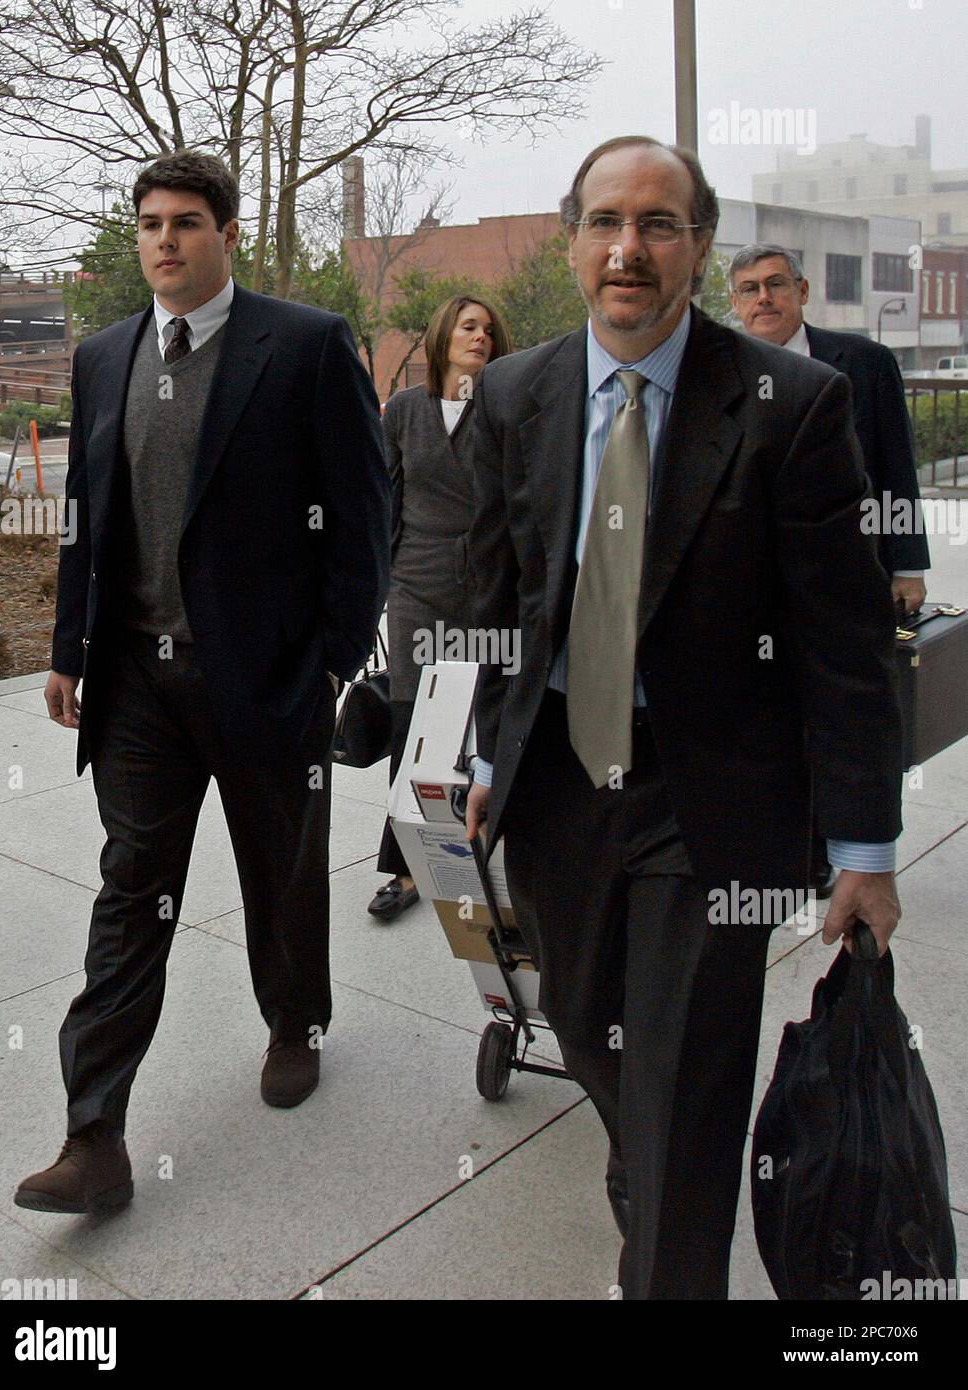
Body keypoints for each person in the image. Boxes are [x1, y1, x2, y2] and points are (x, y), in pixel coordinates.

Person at [465, 135, 903, 1300]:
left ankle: (668, 1267)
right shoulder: (518, 393)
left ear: (696, 247)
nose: (628, 249)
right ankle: (653, 1209)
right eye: (606, 222)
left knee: (681, 1083)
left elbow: (847, 646)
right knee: (591, 1031)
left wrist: (864, 848)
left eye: (658, 224)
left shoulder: (792, 405)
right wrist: (475, 748)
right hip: (557, 781)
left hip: (708, 800)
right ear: (570, 242)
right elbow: (502, 591)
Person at [15, 151, 390, 1216]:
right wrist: (69, 644)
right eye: (148, 223)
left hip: (266, 678)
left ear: (227, 234)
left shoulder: (306, 347)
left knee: (282, 868)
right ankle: (95, 1136)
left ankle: (293, 1022)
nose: (164, 240)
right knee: (132, 890)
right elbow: (90, 512)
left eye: (185, 221)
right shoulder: (104, 355)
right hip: (138, 682)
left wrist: (330, 657)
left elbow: (361, 518)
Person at [730, 242, 928, 896]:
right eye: (750, 288)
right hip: (755, 585)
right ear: (734, 302)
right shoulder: (720, 371)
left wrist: (906, 564)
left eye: (775, 285)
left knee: (842, 707)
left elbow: (896, 467)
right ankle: (798, 846)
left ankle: (850, 842)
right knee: (772, 713)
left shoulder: (862, 364)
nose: (764, 298)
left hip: (849, 573)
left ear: (802, 290)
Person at [367, 295, 511, 921]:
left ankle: (485, 847)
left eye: (487, 329)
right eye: (467, 325)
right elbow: (376, 497)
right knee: (413, 729)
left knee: (488, 724)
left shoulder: (508, 408)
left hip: (487, 590)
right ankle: (402, 869)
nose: (478, 336)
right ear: (443, 336)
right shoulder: (404, 410)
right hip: (417, 587)